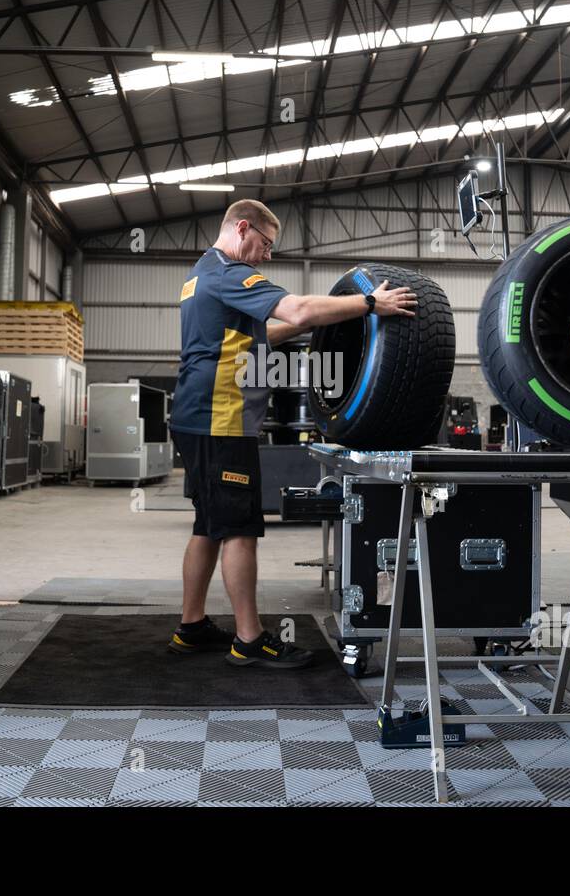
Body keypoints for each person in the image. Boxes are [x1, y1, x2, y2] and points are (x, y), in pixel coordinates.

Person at [166, 199, 417, 668]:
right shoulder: (230, 273)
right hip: (221, 422)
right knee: (240, 529)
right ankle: (249, 639)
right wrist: (369, 303)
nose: (265, 256)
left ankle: (192, 626)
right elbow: (298, 310)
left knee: (209, 524)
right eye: (264, 245)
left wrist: (329, 325)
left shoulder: (200, 274)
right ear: (242, 229)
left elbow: (260, 336)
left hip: (194, 418)